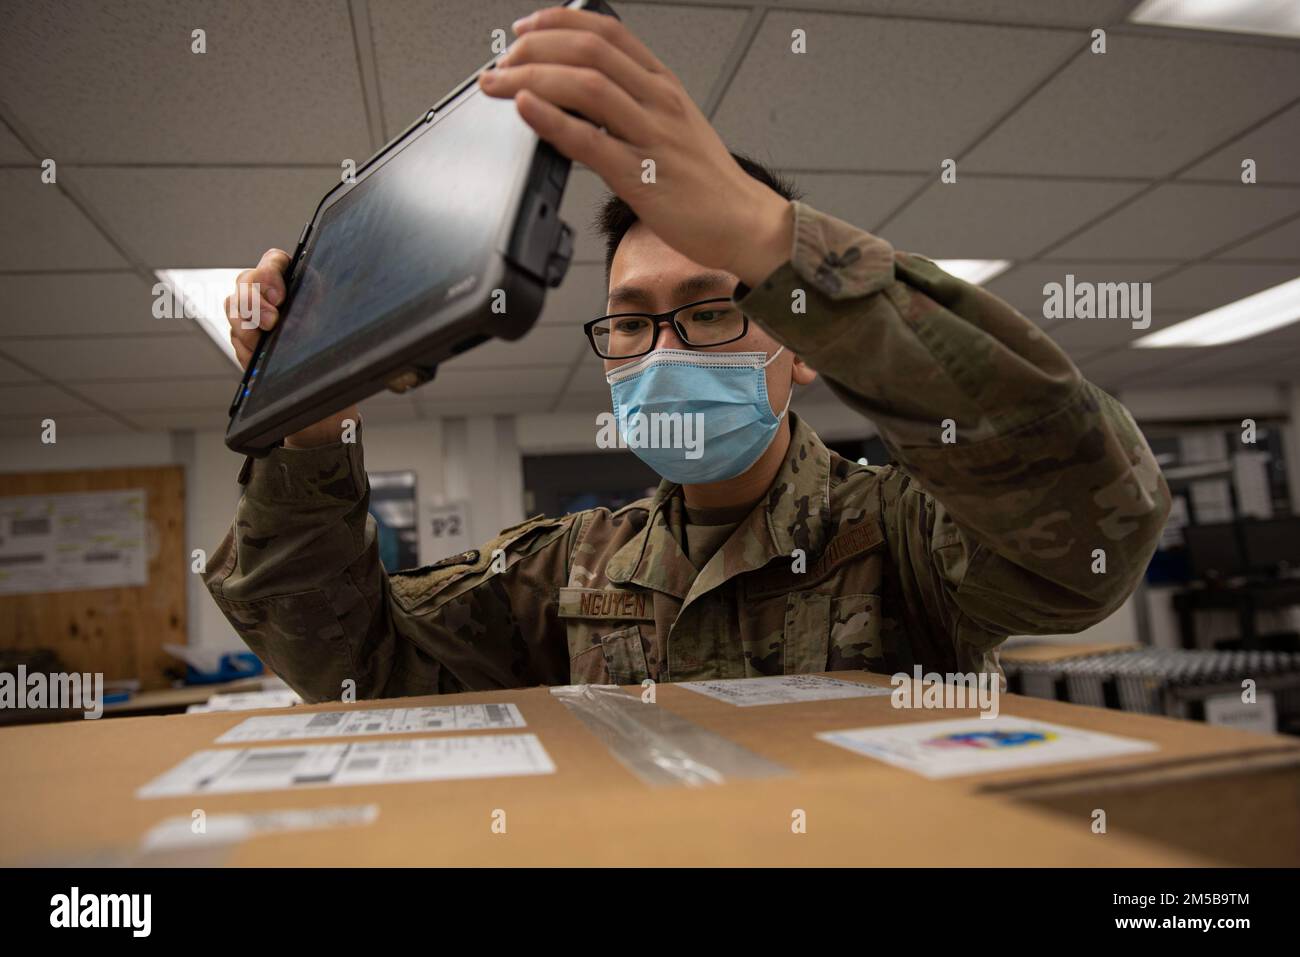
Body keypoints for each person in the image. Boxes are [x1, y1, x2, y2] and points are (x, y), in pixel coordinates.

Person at [207, 6, 1169, 700]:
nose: (661, 347)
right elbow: (352, 663)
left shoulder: (910, 535)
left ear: (804, 348)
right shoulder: (572, 571)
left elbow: (1097, 530)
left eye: (712, 309)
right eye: (630, 321)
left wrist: (773, 240)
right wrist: (311, 418)